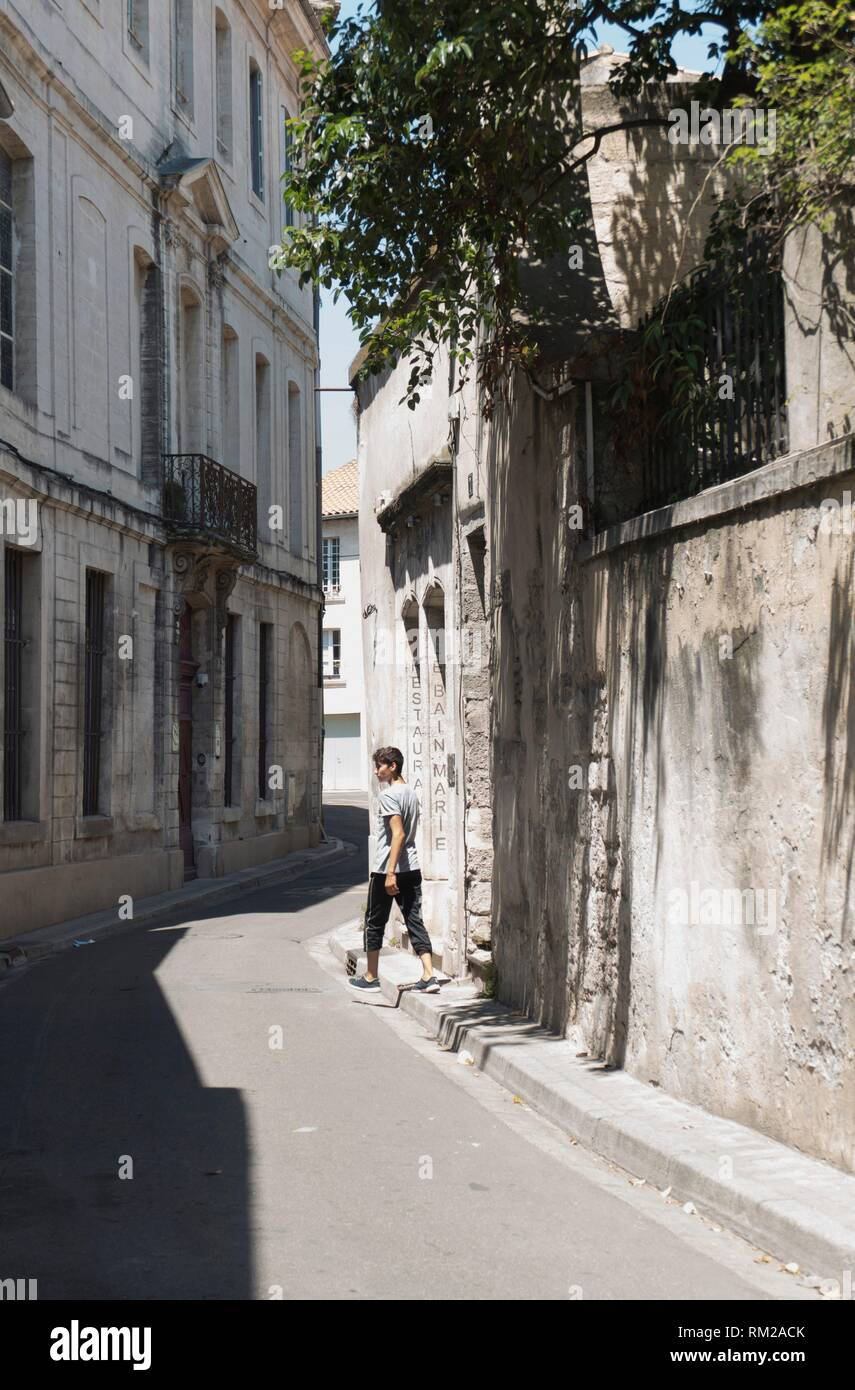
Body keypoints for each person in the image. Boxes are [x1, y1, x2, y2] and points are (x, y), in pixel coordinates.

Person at [349, 746, 440, 994]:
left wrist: (389, 873)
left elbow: (398, 834)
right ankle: (429, 974)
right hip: (412, 866)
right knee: (414, 919)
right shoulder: (411, 793)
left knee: (374, 921)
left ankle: (370, 977)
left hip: (387, 869)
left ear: (393, 767)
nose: (377, 771)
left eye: (380, 766)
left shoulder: (389, 796)